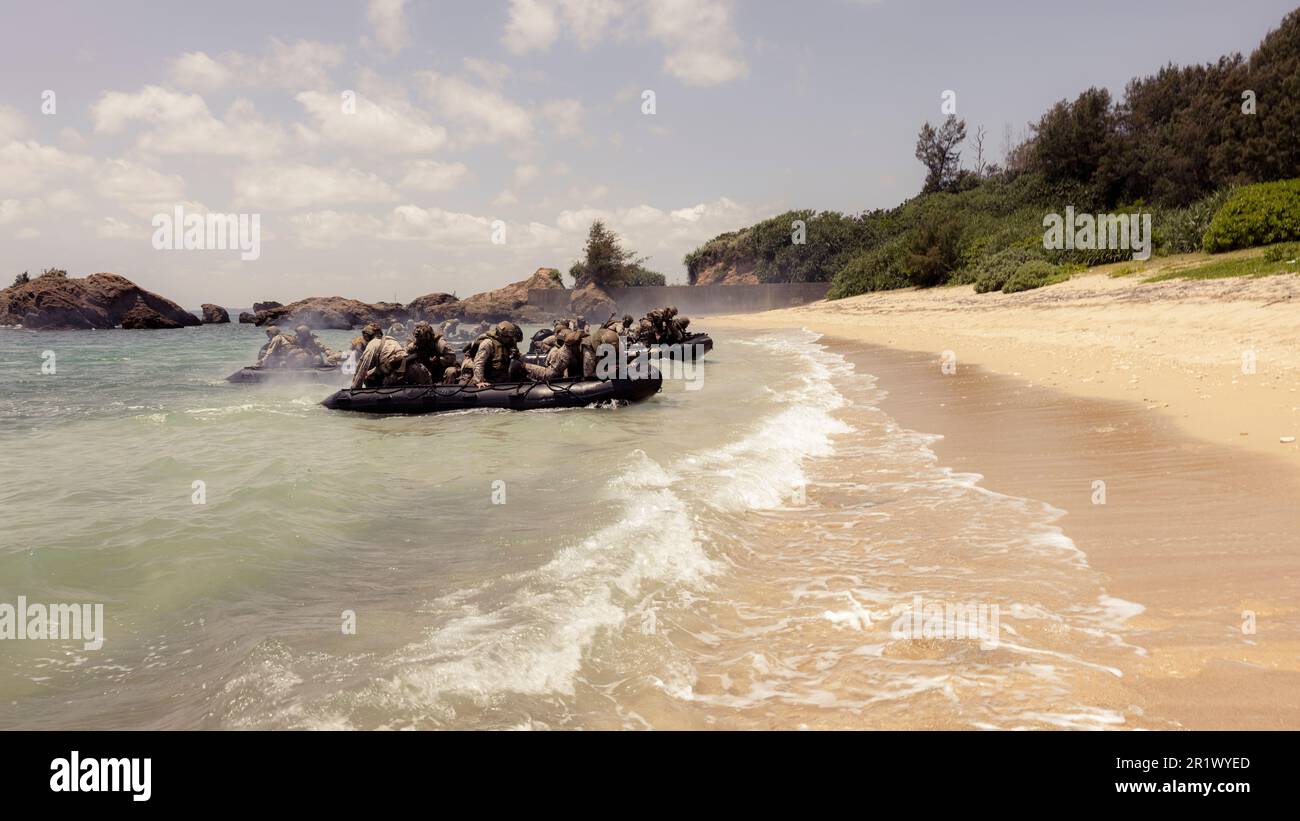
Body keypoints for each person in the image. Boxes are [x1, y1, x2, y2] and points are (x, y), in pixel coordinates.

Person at [460, 321, 524, 387]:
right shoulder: (488, 343)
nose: (508, 339)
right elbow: (479, 362)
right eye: (506, 337)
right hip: (484, 372)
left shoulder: (508, 343)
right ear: (499, 334)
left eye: (510, 337)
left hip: (499, 375)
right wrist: (479, 381)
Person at [352, 323, 409, 388]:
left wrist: (355, 387)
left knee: (368, 378)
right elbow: (385, 362)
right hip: (404, 371)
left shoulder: (373, 343)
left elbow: (363, 366)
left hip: (393, 375)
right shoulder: (392, 340)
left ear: (367, 336)